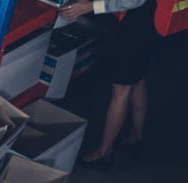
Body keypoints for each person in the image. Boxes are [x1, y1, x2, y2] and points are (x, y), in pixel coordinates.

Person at [60, 0, 160, 169]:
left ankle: (103, 153)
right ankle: (136, 138)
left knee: (122, 90)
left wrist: (90, 6)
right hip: (151, 19)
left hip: (136, 24)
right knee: (137, 77)